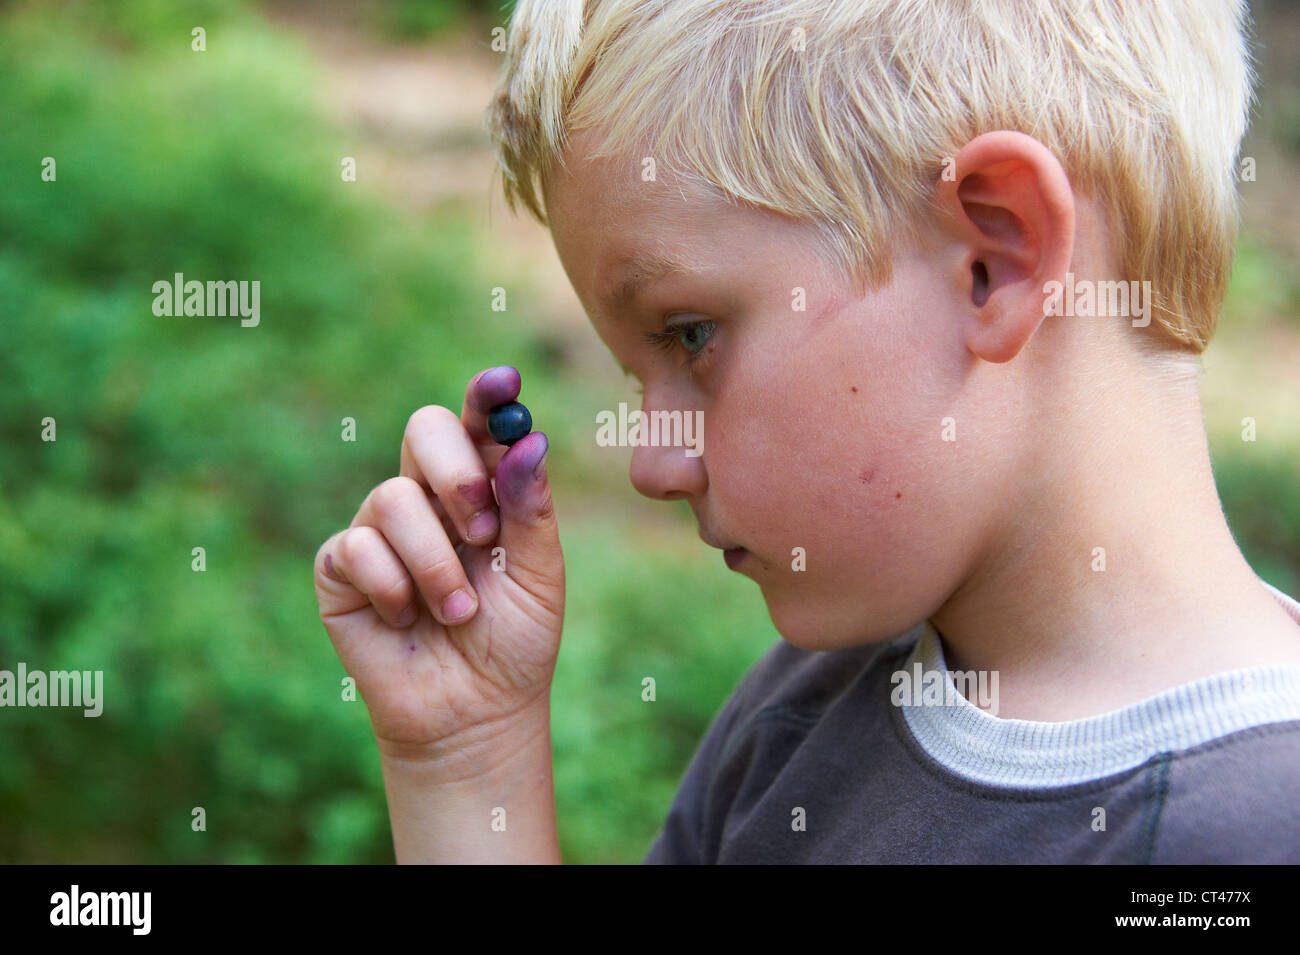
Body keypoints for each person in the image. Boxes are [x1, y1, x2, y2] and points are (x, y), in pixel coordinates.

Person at [313, 0, 1300, 862]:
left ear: (992, 261)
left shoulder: (1254, 835)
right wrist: (467, 761)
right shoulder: (798, 720)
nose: (652, 464)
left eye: (690, 335)